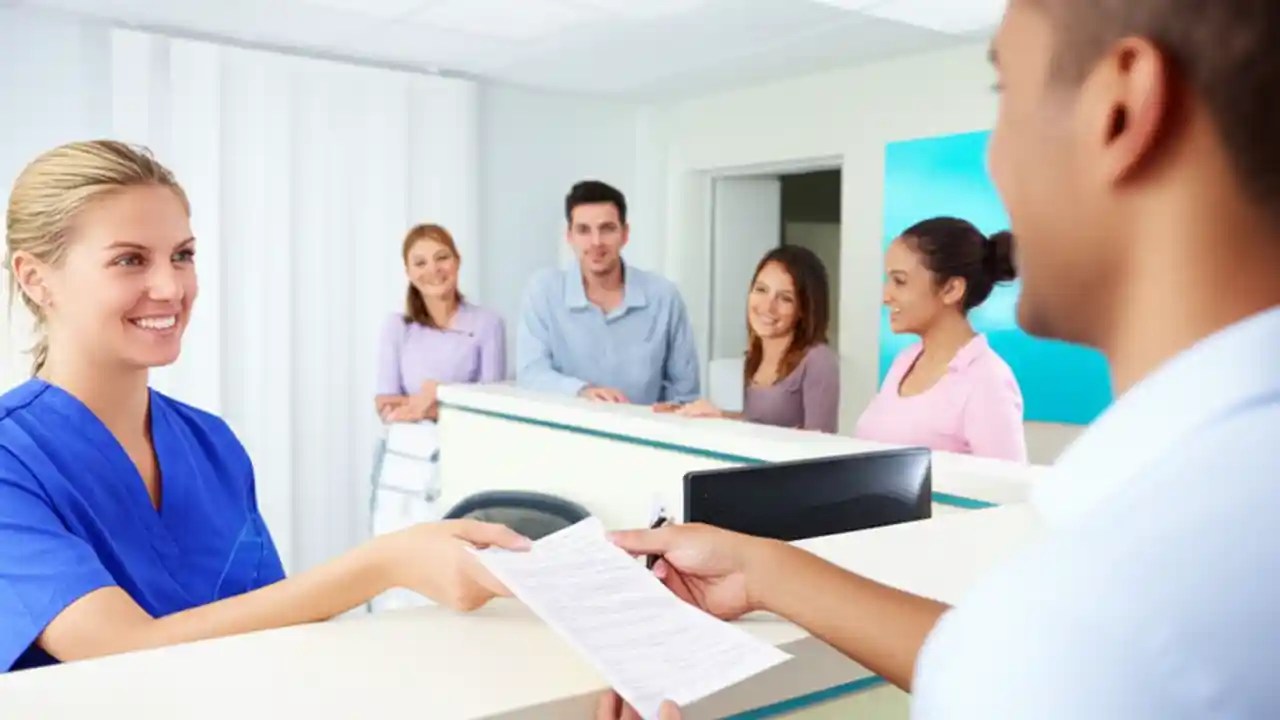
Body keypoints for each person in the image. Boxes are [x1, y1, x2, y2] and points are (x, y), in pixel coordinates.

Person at [601, 0, 1280, 716]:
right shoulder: (1199, 523)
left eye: (1005, 92)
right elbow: (1004, 661)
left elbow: (1052, 666)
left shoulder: (1122, 617)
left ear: (1120, 107)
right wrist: (765, 572)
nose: (995, 159)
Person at [0, 141, 527, 673]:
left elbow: (275, 627)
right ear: (35, 278)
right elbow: (117, 648)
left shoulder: (211, 445)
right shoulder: (10, 460)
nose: (171, 286)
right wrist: (386, 563)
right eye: (129, 260)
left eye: (182, 255)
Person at [853, 217, 1027, 462]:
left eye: (900, 281)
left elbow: (1009, 482)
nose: (886, 296)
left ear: (951, 289)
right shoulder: (904, 362)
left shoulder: (988, 381)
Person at [517, 180, 700, 405]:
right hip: (565, 424)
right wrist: (582, 391)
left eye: (607, 229)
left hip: (641, 426)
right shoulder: (544, 290)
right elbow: (530, 373)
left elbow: (684, 392)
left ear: (625, 234)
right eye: (584, 230)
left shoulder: (664, 297)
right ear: (570, 236)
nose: (596, 242)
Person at [655, 245, 840, 433]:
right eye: (761, 290)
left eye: (785, 298)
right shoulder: (755, 356)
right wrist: (709, 415)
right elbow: (757, 424)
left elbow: (820, 443)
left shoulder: (818, 360)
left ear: (804, 309)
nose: (767, 307)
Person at [375, 223, 506, 423]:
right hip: (406, 441)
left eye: (442, 258)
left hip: (463, 440)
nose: (433, 269)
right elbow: (386, 405)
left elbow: (490, 408)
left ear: (457, 261)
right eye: (420, 263)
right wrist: (433, 403)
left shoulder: (488, 325)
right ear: (409, 273)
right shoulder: (397, 327)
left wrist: (436, 396)